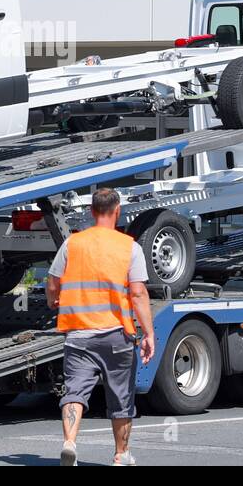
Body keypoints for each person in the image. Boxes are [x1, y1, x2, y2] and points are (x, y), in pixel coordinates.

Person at [45, 187, 155, 466]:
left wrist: (53, 300)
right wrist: (149, 334)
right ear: (117, 211)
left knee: (74, 393)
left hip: (79, 335)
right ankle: (121, 455)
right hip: (117, 335)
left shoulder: (73, 243)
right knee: (121, 398)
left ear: (92, 211)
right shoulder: (130, 247)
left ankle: (70, 442)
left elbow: (52, 281)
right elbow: (139, 293)